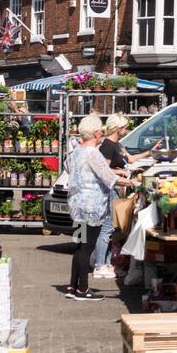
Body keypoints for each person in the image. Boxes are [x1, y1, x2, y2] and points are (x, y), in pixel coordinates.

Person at [91, 113, 163, 280]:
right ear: (117, 128)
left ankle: (107, 263)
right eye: (124, 127)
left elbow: (130, 159)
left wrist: (150, 152)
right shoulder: (107, 146)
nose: (126, 130)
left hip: (120, 188)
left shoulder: (118, 145)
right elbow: (104, 170)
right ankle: (99, 265)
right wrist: (122, 172)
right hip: (112, 188)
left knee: (113, 226)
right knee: (108, 226)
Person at [65, 115, 124, 301]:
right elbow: (108, 177)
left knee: (80, 245)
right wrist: (132, 181)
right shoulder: (93, 153)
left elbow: (68, 168)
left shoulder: (75, 152)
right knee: (86, 247)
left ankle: (72, 286)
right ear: (96, 133)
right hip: (91, 207)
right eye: (100, 131)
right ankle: (83, 289)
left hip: (76, 206)